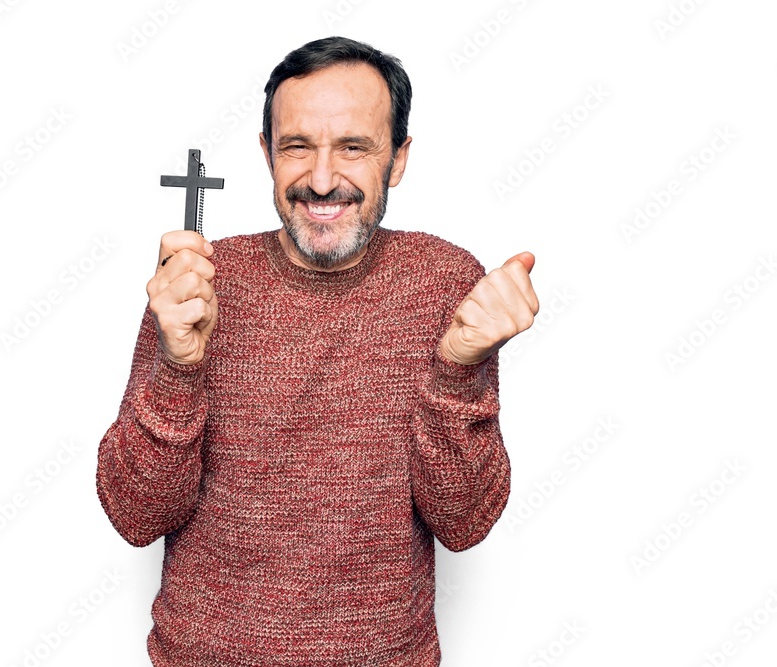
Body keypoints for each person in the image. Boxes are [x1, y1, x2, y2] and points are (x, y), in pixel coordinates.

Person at [96, 35, 539, 666]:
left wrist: (460, 371)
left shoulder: (444, 283)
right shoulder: (196, 282)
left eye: (354, 148)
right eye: (297, 146)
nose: (323, 179)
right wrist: (178, 368)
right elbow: (136, 515)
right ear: (266, 154)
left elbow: (464, 523)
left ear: (400, 158)